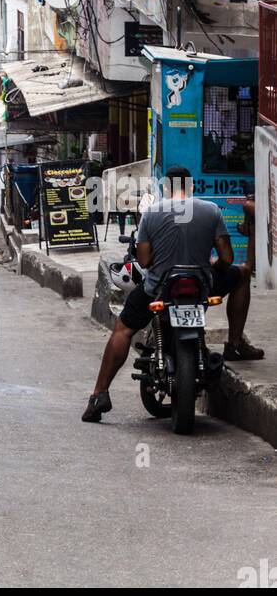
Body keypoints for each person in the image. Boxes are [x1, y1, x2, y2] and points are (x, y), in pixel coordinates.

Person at [82, 166, 264, 423]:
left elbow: (143, 261)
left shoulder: (151, 214)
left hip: (158, 289)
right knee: (242, 275)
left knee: (123, 330)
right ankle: (234, 344)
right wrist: (208, 266)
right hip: (202, 285)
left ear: (166, 189)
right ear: (191, 187)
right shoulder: (210, 211)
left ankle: (100, 394)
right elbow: (227, 258)